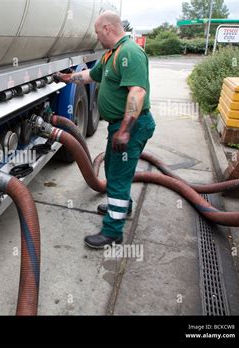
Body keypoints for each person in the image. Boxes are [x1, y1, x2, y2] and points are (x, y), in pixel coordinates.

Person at [55, 11, 156, 249]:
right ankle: (122, 205)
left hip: (132, 126)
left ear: (108, 28)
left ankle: (112, 232)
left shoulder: (130, 53)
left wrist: (124, 131)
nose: (97, 37)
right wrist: (66, 78)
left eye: (98, 32)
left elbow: (137, 92)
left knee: (119, 175)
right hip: (120, 126)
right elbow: (91, 75)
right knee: (113, 167)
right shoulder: (112, 54)